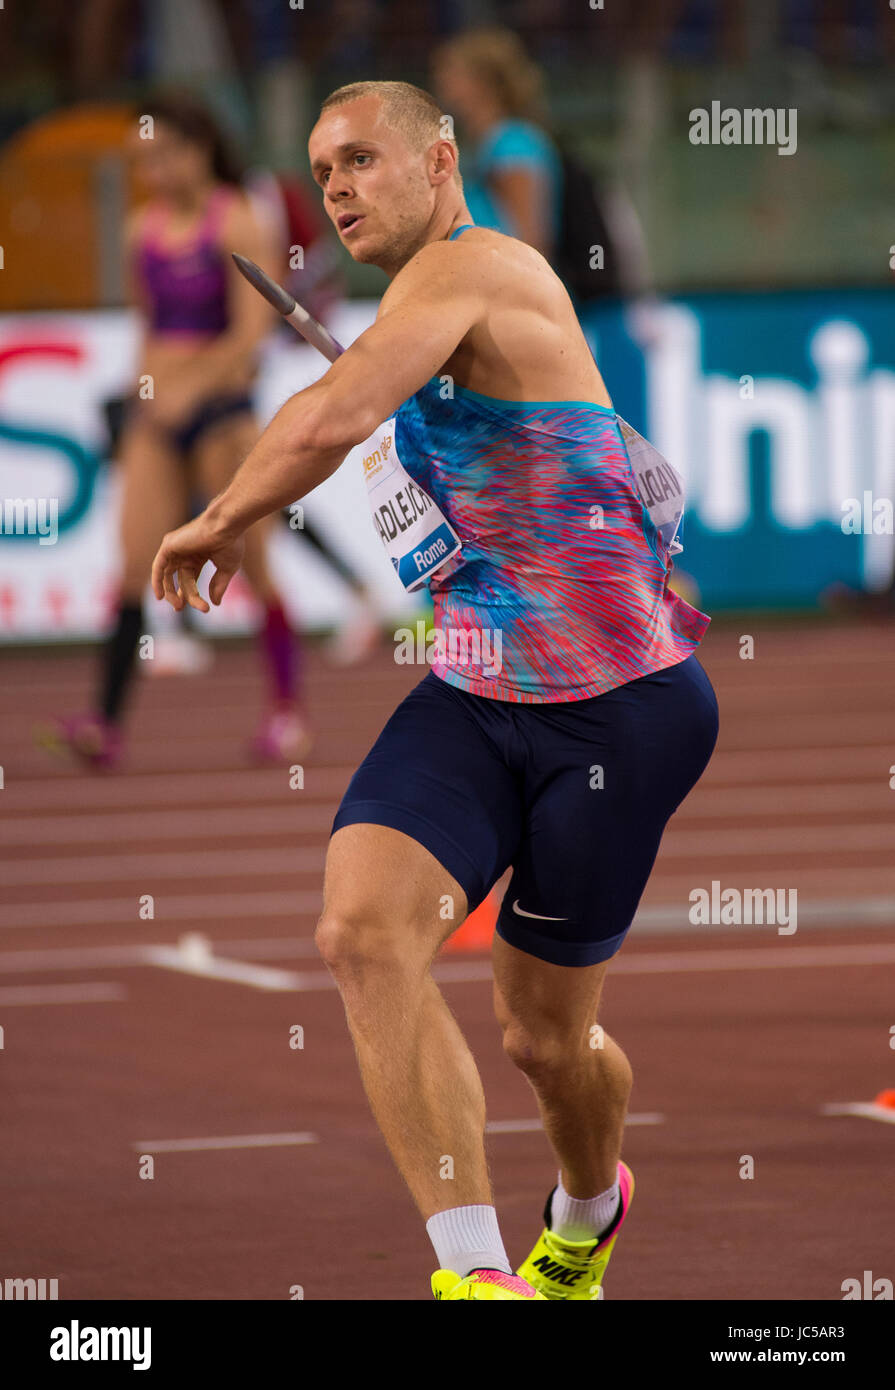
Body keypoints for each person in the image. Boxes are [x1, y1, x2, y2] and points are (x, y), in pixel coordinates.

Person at [151, 80, 719, 1301]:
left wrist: (218, 516)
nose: (338, 187)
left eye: (361, 159)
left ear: (438, 161)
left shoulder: (482, 270)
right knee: (360, 933)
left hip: (617, 710)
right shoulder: (411, 309)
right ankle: (474, 1275)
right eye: (323, 170)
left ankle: (584, 1207)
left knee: (543, 1039)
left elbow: (328, 414)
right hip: (473, 691)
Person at [44, 93, 310, 767]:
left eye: (162, 156)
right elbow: (147, 332)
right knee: (135, 564)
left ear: (197, 150)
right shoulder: (141, 230)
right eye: (143, 161)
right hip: (159, 419)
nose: (153, 172)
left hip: (224, 415)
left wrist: (187, 390)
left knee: (256, 565)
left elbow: (252, 338)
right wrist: (146, 395)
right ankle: (104, 724)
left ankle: (286, 713)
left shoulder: (239, 221)